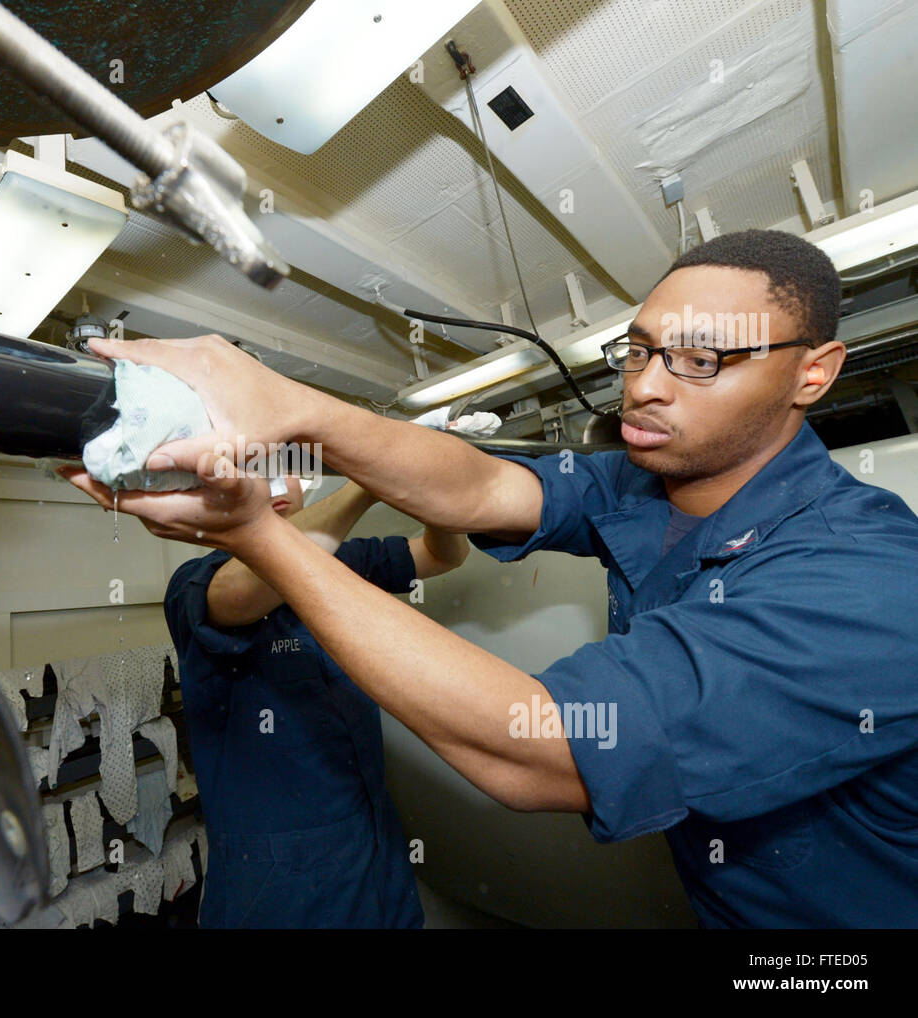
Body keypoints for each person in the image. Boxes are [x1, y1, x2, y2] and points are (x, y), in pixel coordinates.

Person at [60, 229, 918, 928]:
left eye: (699, 361)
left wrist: (257, 532)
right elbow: (479, 486)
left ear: (815, 371)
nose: (643, 390)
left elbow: (536, 746)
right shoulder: (641, 483)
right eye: (639, 351)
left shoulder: (869, 583)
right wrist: (305, 413)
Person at [163, 474, 467, 928]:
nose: (272, 483)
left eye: (284, 465)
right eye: (252, 469)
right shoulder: (199, 583)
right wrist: (367, 479)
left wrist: (429, 486)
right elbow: (242, 593)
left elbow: (446, 554)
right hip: (279, 885)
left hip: (375, 858)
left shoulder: (345, 562)